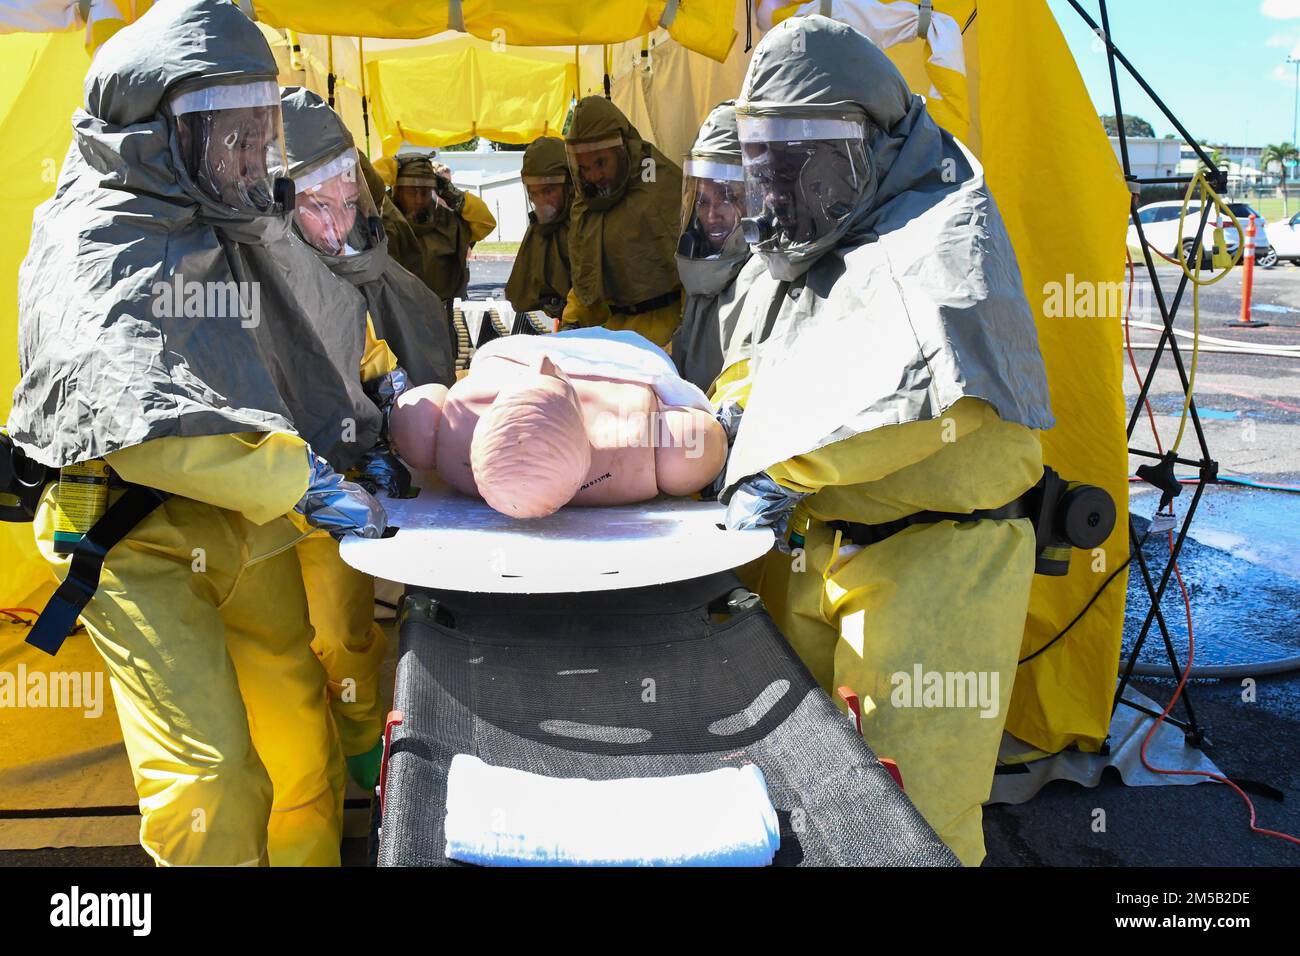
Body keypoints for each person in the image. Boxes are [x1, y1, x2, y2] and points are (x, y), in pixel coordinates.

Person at [6, 0, 391, 866]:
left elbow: (314, 329)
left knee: (298, 748)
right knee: (211, 779)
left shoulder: (230, 222)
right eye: (232, 133)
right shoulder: (92, 239)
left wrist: (369, 402)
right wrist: (305, 485)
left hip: (240, 531)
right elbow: (133, 419)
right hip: (127, 538)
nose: (252, 155)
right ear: (159, 129)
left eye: (258, 131)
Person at [718, 16, 1055, 867]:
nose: (778, 179)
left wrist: (778, 472)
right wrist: (727, 422)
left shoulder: (941, 228)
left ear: (863, 139)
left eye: (799, 153)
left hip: (940, 565)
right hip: (828, 545)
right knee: (808, 783)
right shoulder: (815, 235)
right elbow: (779, 361)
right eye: (767, 156)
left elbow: (937, 397)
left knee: (916, 818)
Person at [280, 86, 445, 790]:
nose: (341, 222)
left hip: (328, 497)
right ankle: (307, 778)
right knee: (278, 659)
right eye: (323, 205)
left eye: (351, 204)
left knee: (345, 637)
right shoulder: (232, 274)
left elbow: (365, 348)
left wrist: (392, 393)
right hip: (258, 497)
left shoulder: (337, 271)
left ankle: (363, 759)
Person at [562, 97, 683, 348]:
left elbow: (690, 268)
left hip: (666, 331)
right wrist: (571, 323)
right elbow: (588, 274)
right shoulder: (587, 204)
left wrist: (685, 336)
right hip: (615, 331)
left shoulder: (660, 186)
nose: (594, 176)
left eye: (601, 162)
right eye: (584, 168)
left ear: (623, 149)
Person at [670, 101, 753, 393]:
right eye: (703, 201)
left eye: (727, 197)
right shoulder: (705, 272)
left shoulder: (765, 279)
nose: (710, 214)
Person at [381, 153, 497, 311]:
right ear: (398, 192)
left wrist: (454, 195)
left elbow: (485, 222)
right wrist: (386, 169)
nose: (419, 199)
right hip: (396, 313)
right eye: (412, 192)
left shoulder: (446, 221)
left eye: (425, 192)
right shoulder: (384, 221)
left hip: (440, 312)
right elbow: (363, 193)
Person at [504, 136, 573, 323]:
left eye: (548, 191)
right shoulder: (540, 229)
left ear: (569, 186)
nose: (541, 200)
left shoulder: (584, 226)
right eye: (534, 193)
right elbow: (519, 294)